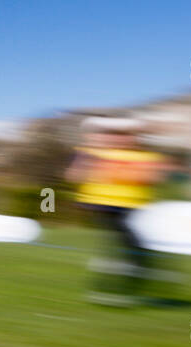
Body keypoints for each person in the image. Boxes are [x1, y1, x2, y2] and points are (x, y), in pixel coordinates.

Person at [67, 117, 168, 305]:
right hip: (103, 206)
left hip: (137, 207)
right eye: (117, 136)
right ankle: (116, 288)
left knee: (137, 248)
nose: (121, 140)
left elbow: (157, 179)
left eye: (127, 136)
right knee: (128, 244)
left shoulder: (147, 157)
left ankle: (124, 288)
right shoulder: (93, 153)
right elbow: (73, 175)